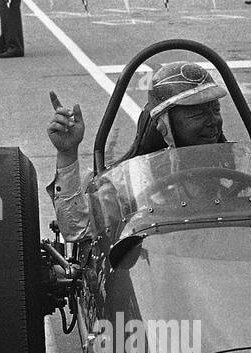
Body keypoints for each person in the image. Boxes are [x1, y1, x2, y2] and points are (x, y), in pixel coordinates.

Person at [47, 62, 231, 240]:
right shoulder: (133, 178)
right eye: (197, 114)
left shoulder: (245, 164)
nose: (213, 121)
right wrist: (67, 153)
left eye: (215, 110)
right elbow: (78, 227)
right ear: (164, 124)